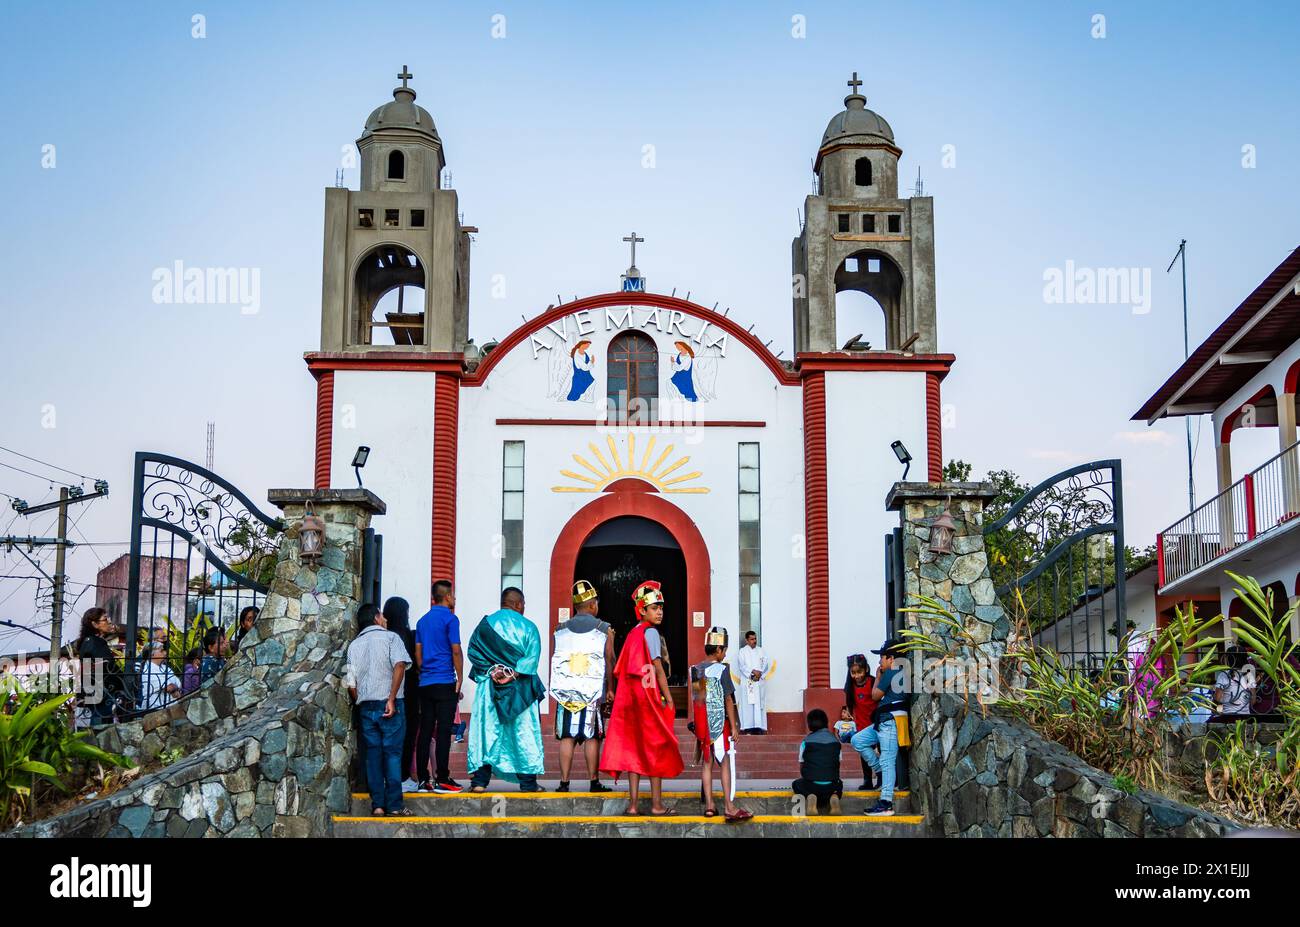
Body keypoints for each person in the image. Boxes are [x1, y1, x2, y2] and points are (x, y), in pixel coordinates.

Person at [601, 580, 684, 815]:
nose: (659, 612)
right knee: (656, 748)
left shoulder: (632, 634)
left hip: (629, 702)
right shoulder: (651, 633)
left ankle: (633, 805)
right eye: (654, 608)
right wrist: (669, 699)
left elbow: (622, 667)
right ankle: (657, 805)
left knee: (633, 750)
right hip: (648, 701)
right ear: (642, 610)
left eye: (661, 607)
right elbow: (657, 668)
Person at [466, 587, 546, 792]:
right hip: (521, 691)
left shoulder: (484, 625)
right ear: (518, 604)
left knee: (487, 732)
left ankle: (479, 783)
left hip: (489, 687)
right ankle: (528, 784)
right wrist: (513, 673)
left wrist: (494, 670)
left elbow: (473, 651)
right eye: (523, 605)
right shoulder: (529, 627)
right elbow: (531, 659)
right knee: (523, 734)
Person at [346, 602, 413, 816]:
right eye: (382, 615)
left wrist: (361, 701)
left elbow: (351, 684)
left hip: (366, 705)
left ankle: (378, 806)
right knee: (392, 754)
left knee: (373, 756)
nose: (385, 619)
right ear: (376, 617)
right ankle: (394, 806)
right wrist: (391, 699)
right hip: (390, 703)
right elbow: (400, 665)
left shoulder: (354, 645)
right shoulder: (392, 637)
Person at [551, 580, 614, 792]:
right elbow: (609, 659)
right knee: (592, 735)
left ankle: (564, 782)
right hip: (592, 690)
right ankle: (593, 781)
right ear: (592, 605)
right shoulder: (603, 628)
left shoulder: (560, 629)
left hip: (566, 690)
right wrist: (610, 689)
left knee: (567, 736)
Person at [690, 627, 752, 822]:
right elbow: (728, 700)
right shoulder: (722, 669)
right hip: (718, 723)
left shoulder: (695, 670)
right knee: (724, 763)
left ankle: (709, 806)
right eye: (724, 650)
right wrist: (734, 726)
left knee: (706, 764)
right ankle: (729, 806)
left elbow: (697, 699)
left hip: (702, 724)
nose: (725, 654)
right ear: (717, 650)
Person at [851, 639, 911, 817]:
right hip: (883, 722)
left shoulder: (892, 671)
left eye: (882, 658)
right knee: (858, 740)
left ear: (891, 658)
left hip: (890, 721)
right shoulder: (900, 671)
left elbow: (875, 695)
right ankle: (880, 772)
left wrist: (877, 677)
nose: (879, 662)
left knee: (887, 760)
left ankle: (886, 803)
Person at [414, 580, 465, 793]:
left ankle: (423, 780)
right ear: (446, 596)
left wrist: (423, 671)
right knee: (443, 731)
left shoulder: (422, 621)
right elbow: (455, 650)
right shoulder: (451, 619)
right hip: (445, 681)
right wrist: (459, 677)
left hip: (425, 683)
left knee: (425, 730)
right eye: (453, 595)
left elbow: (418, 652)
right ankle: (442, 778)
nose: (454, 598)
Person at [381, 596, 422, 791]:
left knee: (385, 739)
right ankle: (403, 776)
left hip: (383, 693)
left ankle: (386, 777)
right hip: (409, 694)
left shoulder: (383, 636)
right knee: (406, 737)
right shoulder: (409, 636)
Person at [793, 708, 843, 815]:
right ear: (826, 722)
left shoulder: (806, 741)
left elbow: (802, 765)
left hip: (811, 785)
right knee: (839, 784)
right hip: (831, 786)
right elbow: (837, 763)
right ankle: (834, 797)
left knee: (796, 784)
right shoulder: (836, 742)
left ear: (809, 724)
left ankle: (810, 796)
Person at [76, 607, 121, 725]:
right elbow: (106, 665)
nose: (109, 622)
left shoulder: (89, 641)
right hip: (101, 691)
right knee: (100, 726)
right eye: (105, 619)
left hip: (95, 691)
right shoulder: (95, 642)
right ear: (95, 624)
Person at [841, 653, 879, 789]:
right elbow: (851, 707)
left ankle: (881, 778)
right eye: (853, 673)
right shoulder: (850, 688)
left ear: (866, 669)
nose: (857, 676)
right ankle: (867, 780)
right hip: (862, 725)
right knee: (864, 756)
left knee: (881, 751)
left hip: (876, 724)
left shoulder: (873, 682)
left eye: (859, 672)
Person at [735, 630, 769, 734]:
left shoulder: (761, 651)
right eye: (752, 639)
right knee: (748, 705)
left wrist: (760, 673)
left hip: (758, 682)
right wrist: (753, 673)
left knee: (759, 704)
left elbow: (765, 664)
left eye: (755, 639)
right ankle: (748, 727)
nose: (754, 641)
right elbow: (742, 666)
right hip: (748, 682)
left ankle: (759, 727)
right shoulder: (742, 651)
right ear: (747, 640)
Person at [1212, 645, 1257, 719]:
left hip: (1228, 716)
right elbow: (1253, 701)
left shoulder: (1224, 675)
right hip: (1246, 716)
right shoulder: (1249, 676)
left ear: (1229, 659)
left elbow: (1217, 698)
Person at [137, 641, 181, 710]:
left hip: (170, 707)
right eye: (161, 650)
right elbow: (169, 687)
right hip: (156, 709)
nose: (165, 652)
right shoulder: (149, 669)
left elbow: (178, 683)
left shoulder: (164, 667)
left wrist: (174, 689)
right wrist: (174, 689)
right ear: (152, 654)